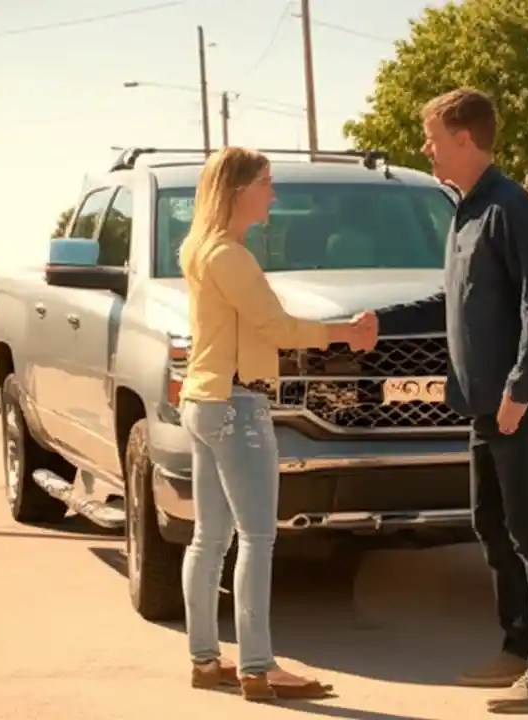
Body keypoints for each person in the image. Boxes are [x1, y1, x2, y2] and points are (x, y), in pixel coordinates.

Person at [357, 88, 528, 713]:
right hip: (483, 402)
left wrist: (520, 389)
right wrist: (380, 321)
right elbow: (449, 303)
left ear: (463, 138)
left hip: (518, 402)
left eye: (431, 136)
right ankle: (516, 646)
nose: (425, 147)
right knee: (491, 524)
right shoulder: (465, 211)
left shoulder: (512, 207)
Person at [176, 147, 376, 703]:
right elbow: (277, 327)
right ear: (238, 191)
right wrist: (347, 332)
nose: (274, 193)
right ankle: (259, 668)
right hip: (238, 404)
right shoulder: (230, 257)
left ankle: (204, 660)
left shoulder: (200, 250)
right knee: (257, 539)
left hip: (203, 400)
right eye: (266, 183)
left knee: (209, 538)